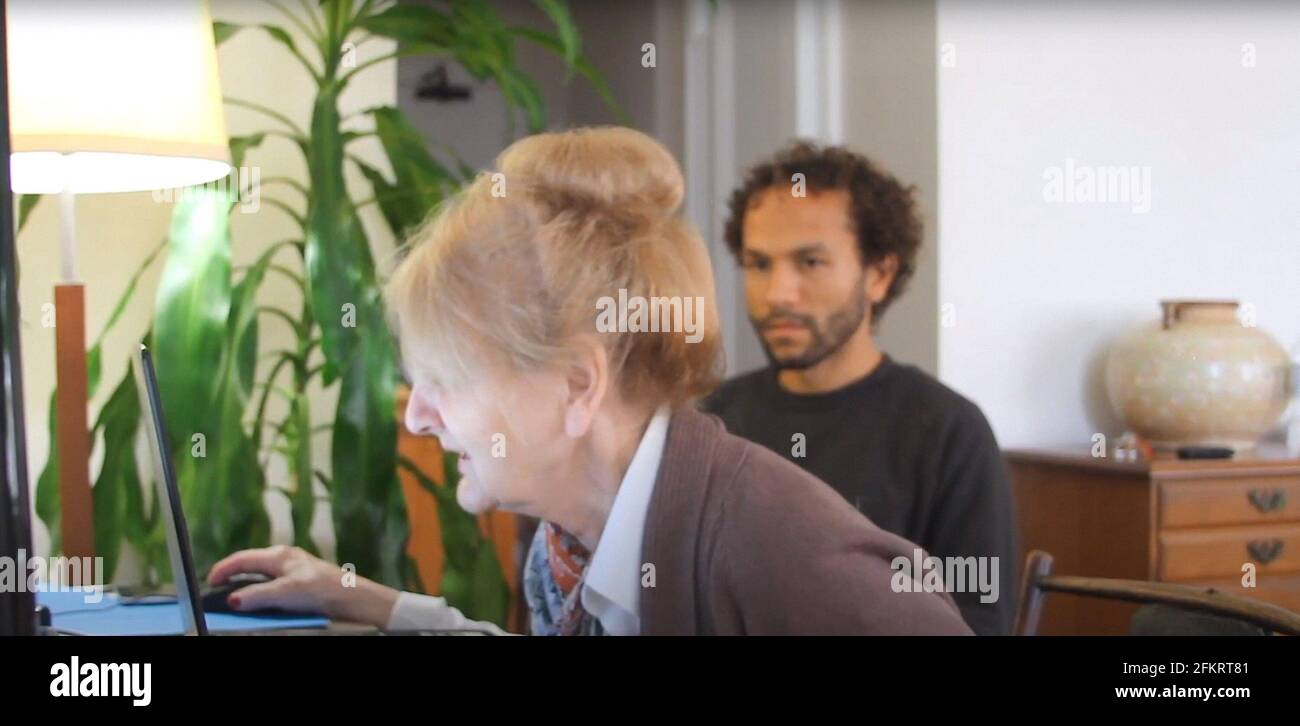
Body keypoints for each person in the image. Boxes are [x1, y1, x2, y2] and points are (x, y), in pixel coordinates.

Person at [208, 127, 972, 636]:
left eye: (446, 380)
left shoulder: (775, 554)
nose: (421, 418)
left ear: (577, 387)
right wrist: (368, 602)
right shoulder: (576, 535)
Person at [702, 141, 1015, 635]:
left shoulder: (947, 432)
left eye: (809, 262)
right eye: (759, 264)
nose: (778, 293)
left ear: (879, 274)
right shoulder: (711, 420)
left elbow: (978, 623)